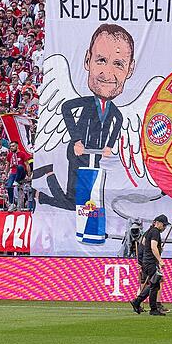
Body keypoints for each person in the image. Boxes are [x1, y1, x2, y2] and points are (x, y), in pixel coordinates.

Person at [44, 24, 137, 211]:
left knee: (85, 200)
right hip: (79, 152)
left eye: (118, 64)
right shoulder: (86, 102)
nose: (108, 73)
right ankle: (49, 181)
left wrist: (109, 146)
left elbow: (117, 125)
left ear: (130, 69)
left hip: (95, 155)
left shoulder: (114, 112)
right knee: (75, 200)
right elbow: (66, 108)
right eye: (101, 60)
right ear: (88, 60)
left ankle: (45, 188)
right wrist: (77, 140)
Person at [131, 214, 168, 316]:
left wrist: (141, 261)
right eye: (164, 225)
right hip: (151, 262)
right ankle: (153, 309)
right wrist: (160, 260)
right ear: (158, 223)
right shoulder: (155, 232)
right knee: (154, 286)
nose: (165, 228)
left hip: (146, 262)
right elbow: (153, 247)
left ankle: (137, 302)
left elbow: (143, 243)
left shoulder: (149, 232)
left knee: (153, 284)